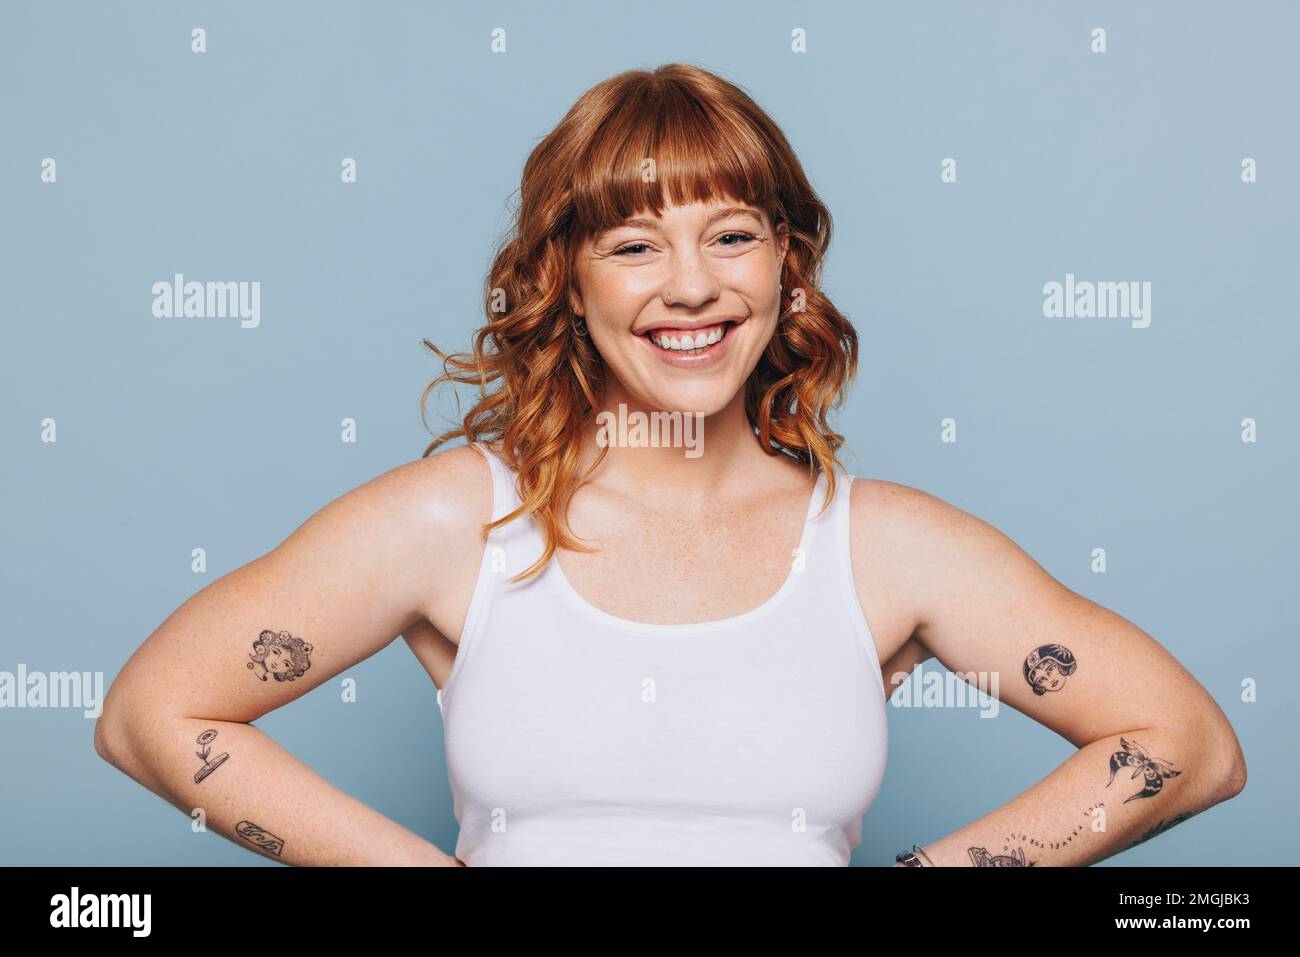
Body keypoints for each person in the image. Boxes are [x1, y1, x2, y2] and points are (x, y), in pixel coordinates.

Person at [95, 63, 1245, 867]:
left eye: (732, 234)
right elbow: (153, 714)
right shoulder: (459, 521)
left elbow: (1185, 747)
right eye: (633, 245)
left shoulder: (887, 545)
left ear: (788, 264)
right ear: (565, 279)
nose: (689, 287)